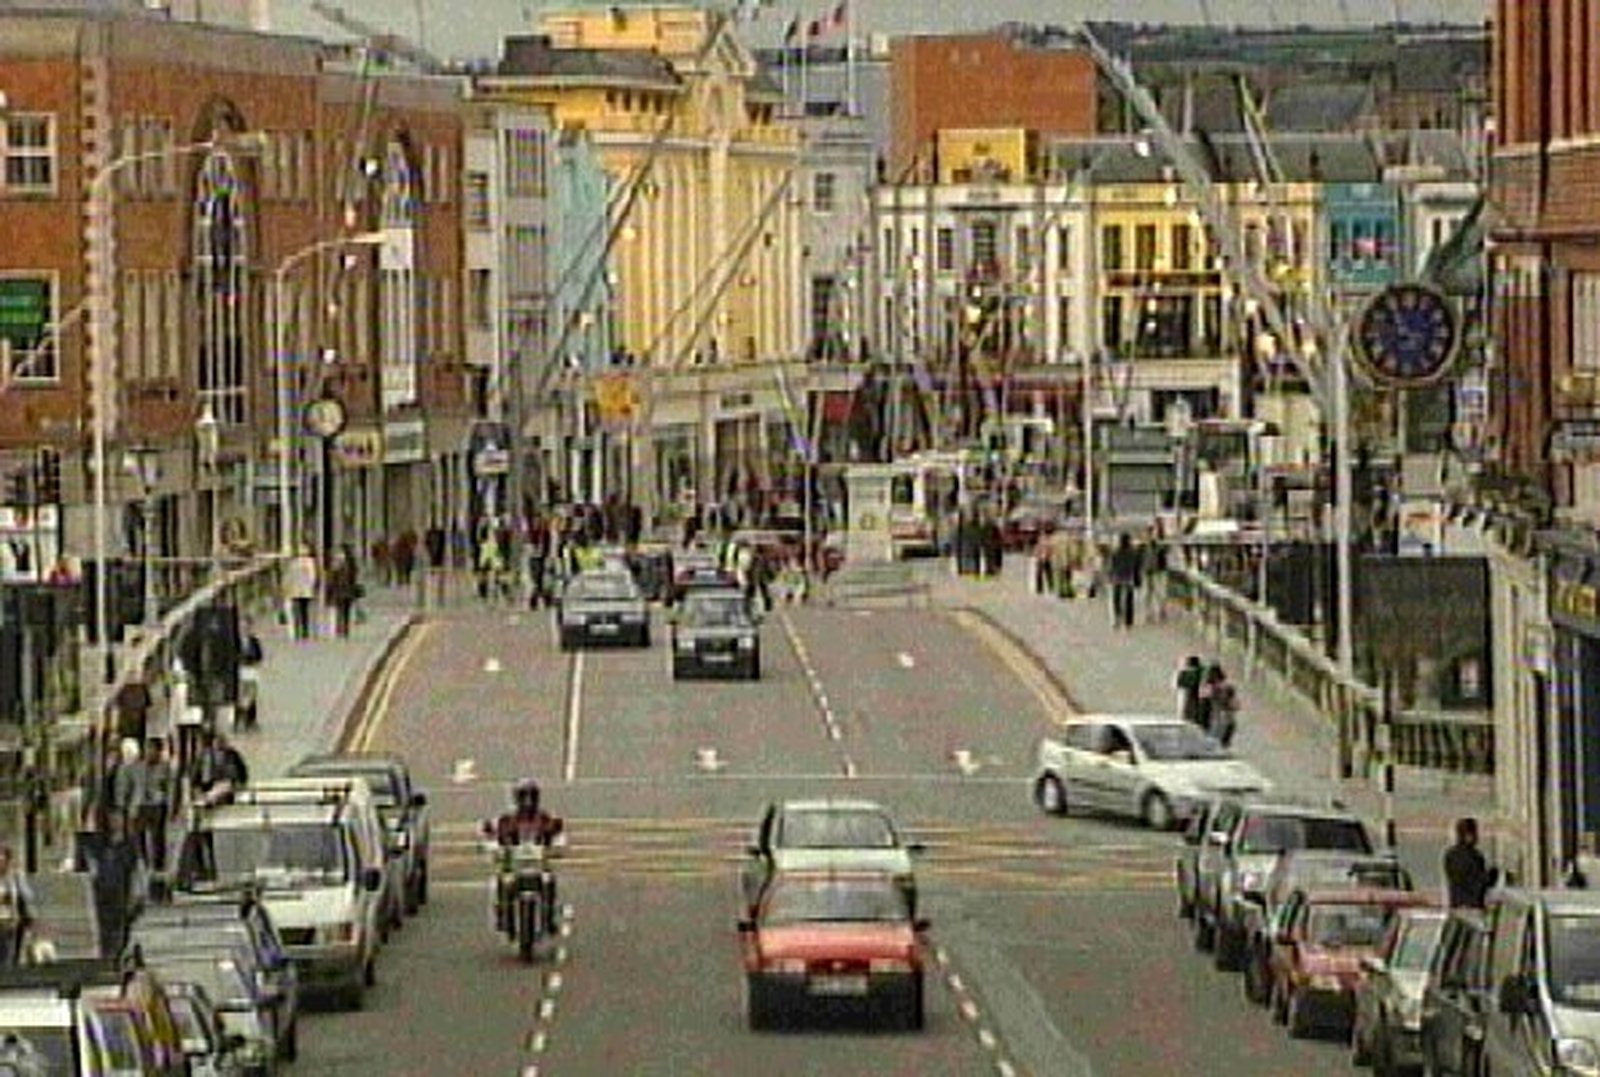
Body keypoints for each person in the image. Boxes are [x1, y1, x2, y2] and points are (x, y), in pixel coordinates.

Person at [137, 738, 176, 874]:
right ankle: (143, 862)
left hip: (158, 804)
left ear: (159, 751)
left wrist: (171, 806)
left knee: (157, 836)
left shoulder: (165, 767)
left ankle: (158, 866)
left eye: (151, 749)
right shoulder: (141, 766)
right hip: (142, 804)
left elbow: (170, 788)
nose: (148, 752)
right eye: (147, 748)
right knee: (139, 834)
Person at [1444, 817, 1499, 908]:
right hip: (1473, 907)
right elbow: (1479, 883)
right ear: (1469, 836)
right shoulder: (1475, 856)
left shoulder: (1450, 855)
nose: (1478, 837)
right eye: (1476, 833)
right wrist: (1493, 874)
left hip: (1456, 906)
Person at [0, 845, 35, 967]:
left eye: (3, 860)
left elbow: (29, 896)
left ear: (8, 860)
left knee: (9, 955)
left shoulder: (15, 877)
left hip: (11, 921)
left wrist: (19, 883)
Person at [1108, 533, 1143, 629]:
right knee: (1129, 600)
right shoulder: (1133, 552)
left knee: (1117, 599)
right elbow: (1136, 566)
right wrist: (1137, 578)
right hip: (1128, 577)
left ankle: (1117, 618)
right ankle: (1128, 621)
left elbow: (1112, 565)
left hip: (1117, 577)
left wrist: (1110, 576)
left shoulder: (1116, 552)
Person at [284, 546, 319, 640]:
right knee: (301, 611)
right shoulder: (299, 563)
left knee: (302, 611)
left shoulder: (302, 562)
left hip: (300, 590)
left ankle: (302, 631)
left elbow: (312, 576)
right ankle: (301, 631)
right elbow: (312, 577)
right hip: (300, 590)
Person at [326, 546, 361, 638]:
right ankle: (345, 629)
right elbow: (354, 578)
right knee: (345, 611)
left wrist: (329, 592)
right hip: (347, 592)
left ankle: (340, 629)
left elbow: (331, 580)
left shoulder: (336, 567)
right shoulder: (351, 565)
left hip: (339, 592)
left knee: (340, 610)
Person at [1202, 665, 1239, 748]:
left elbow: (1235, 705)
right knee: (1220, 746)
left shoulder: (1218, 688)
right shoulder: (1226, 687)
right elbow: (1236, 706)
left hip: (1219, 722)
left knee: (1213, 746)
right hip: (1225, 721)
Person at [1175, 656, 1205, 727]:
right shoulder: (1200, 672)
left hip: (1189, 700)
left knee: (1185, 717)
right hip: (1194, 701)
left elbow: (1177, 685)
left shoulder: (1185, 673)